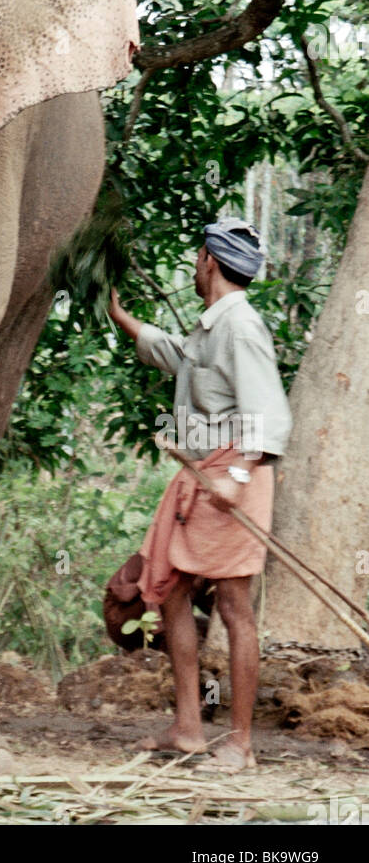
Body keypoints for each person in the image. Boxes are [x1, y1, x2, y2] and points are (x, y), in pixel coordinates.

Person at [108, 218, 292, 773]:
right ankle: (188, 728)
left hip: (232, 480)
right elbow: (181, 358)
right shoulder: (213, 326)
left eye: (196, 257)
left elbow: (269, 412)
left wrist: (237, 477)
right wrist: (122, 317)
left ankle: (240, 744)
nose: (193, 266)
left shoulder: (241, 327)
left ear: (210, 260)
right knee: (170, 592)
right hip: (201, 479)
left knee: (234, 607)